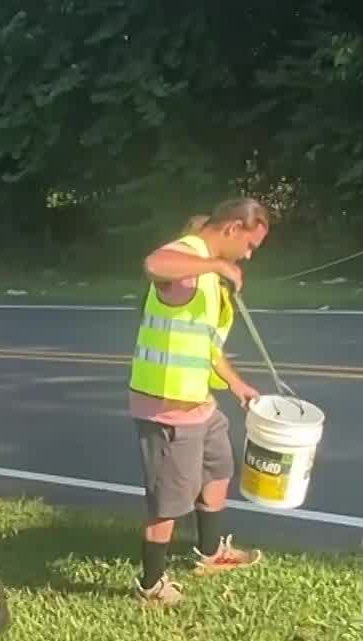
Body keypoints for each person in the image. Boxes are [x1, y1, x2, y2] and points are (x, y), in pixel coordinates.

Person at [129, 197, 273, 606]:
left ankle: (210, 554)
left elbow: (207, 345)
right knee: (170, 498)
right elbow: (154, 264)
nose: (248, 255)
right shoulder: (191, 259)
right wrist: (216, 265)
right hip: (167, 405)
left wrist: (237, 384)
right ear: (231, 228)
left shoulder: (205, 271)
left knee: (218, 469)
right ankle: (151, 585)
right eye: (248, 246)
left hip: (199, 402)